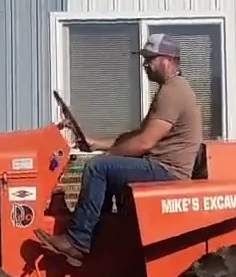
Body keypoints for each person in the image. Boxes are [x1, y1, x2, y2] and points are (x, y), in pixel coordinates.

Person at [35, 33, 203, 264]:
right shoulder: (173, 89)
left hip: (167, 170)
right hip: (160, 164)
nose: (145, 64)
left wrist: (107, 155)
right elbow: (136, 136)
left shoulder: (172, 92)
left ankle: (77, 241)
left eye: (149, 58)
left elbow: (145, 142)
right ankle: (97, 242)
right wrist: (95, 143)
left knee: (98, 168)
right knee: (108, 167)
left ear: (167, 60)